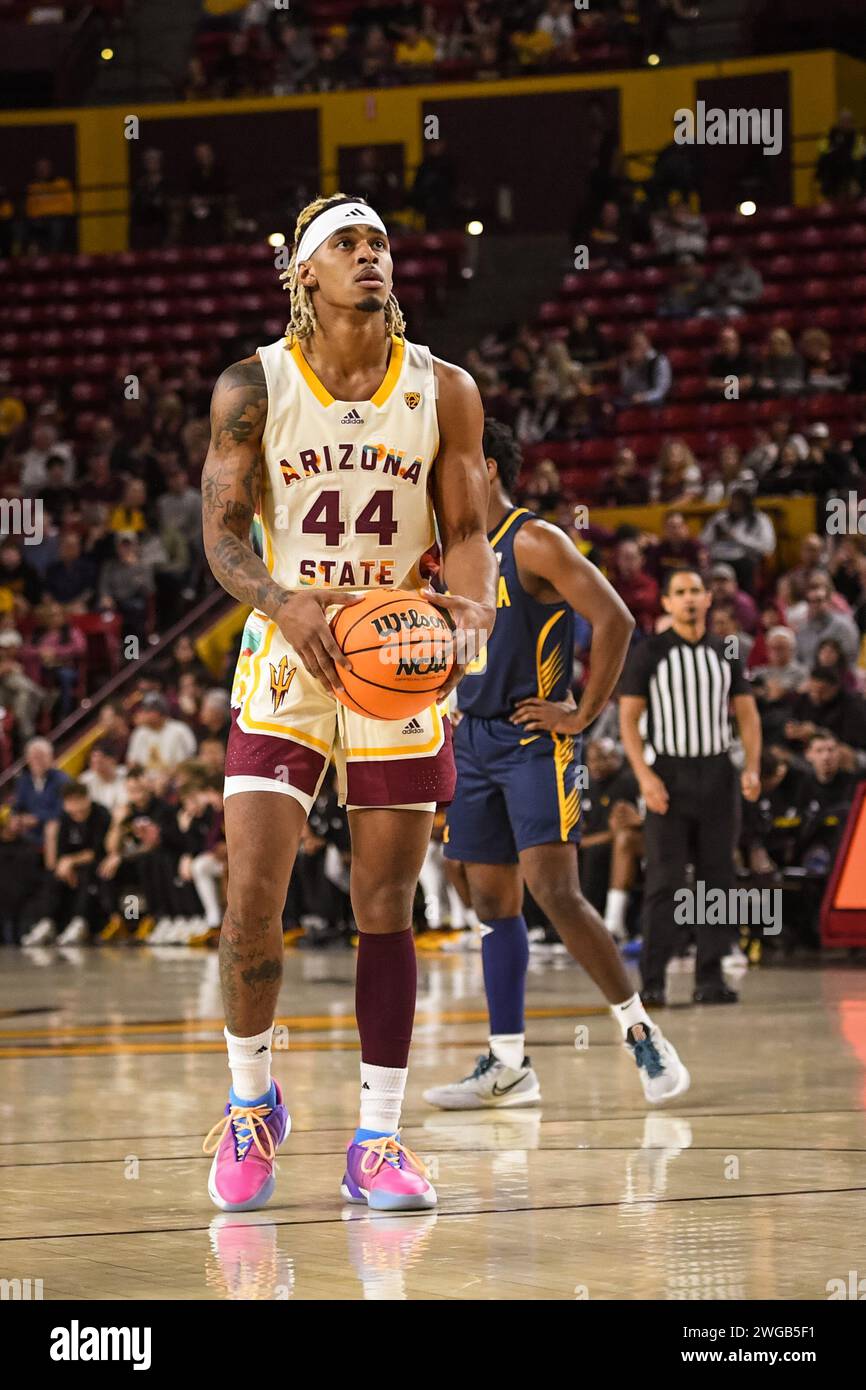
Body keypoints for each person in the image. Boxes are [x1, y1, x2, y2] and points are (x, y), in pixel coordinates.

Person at [199, 192, 497, 1214]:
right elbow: (224, 533)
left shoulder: (445, 389)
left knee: (386, 906)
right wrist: (282, 603)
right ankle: (249, 1105)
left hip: (399, 654)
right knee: (250, 906)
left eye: (376, 242)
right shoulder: (253, 384)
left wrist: (469, 608)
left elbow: (464, 522)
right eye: (345, 244)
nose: (368, 256)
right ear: (303, 274)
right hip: (288, 651)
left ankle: (376, 1138)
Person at [424, 420, 690, 1112]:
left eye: (448, 467)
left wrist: (582, 715)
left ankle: (640, 1031)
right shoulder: (451, 555)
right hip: (472, 739)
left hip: (535, 738)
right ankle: (508, 1063)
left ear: (485, 468)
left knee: (555, 889)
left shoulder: (535, 540)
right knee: (488, 901)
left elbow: (616, 619)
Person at [619, 568, 762, 1005]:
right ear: (666, 603)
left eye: (695, 591)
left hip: (718, 774)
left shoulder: (727, 652)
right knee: (664, 879)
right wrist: (645, 777)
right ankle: (654, 980)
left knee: (717, 878)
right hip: (669, 776)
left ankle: (711, 976)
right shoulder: (650, 652)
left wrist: (751, 767)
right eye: (680, 592)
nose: (689, 599)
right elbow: (628, 718)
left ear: (707, 599)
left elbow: (747, 714)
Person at [25, 782, 111, 945]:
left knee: (88, 874)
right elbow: (61, 852)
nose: (75, 807)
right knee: (53, 877)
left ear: (87, 799)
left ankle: (80, 922)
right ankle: (47, 922)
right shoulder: (64, 818)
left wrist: (70, 861)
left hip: (96, 864)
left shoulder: (101, 814)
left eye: (78, 801)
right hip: (72, 865)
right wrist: (64, 865)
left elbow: (97, 852)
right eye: (70, 802)